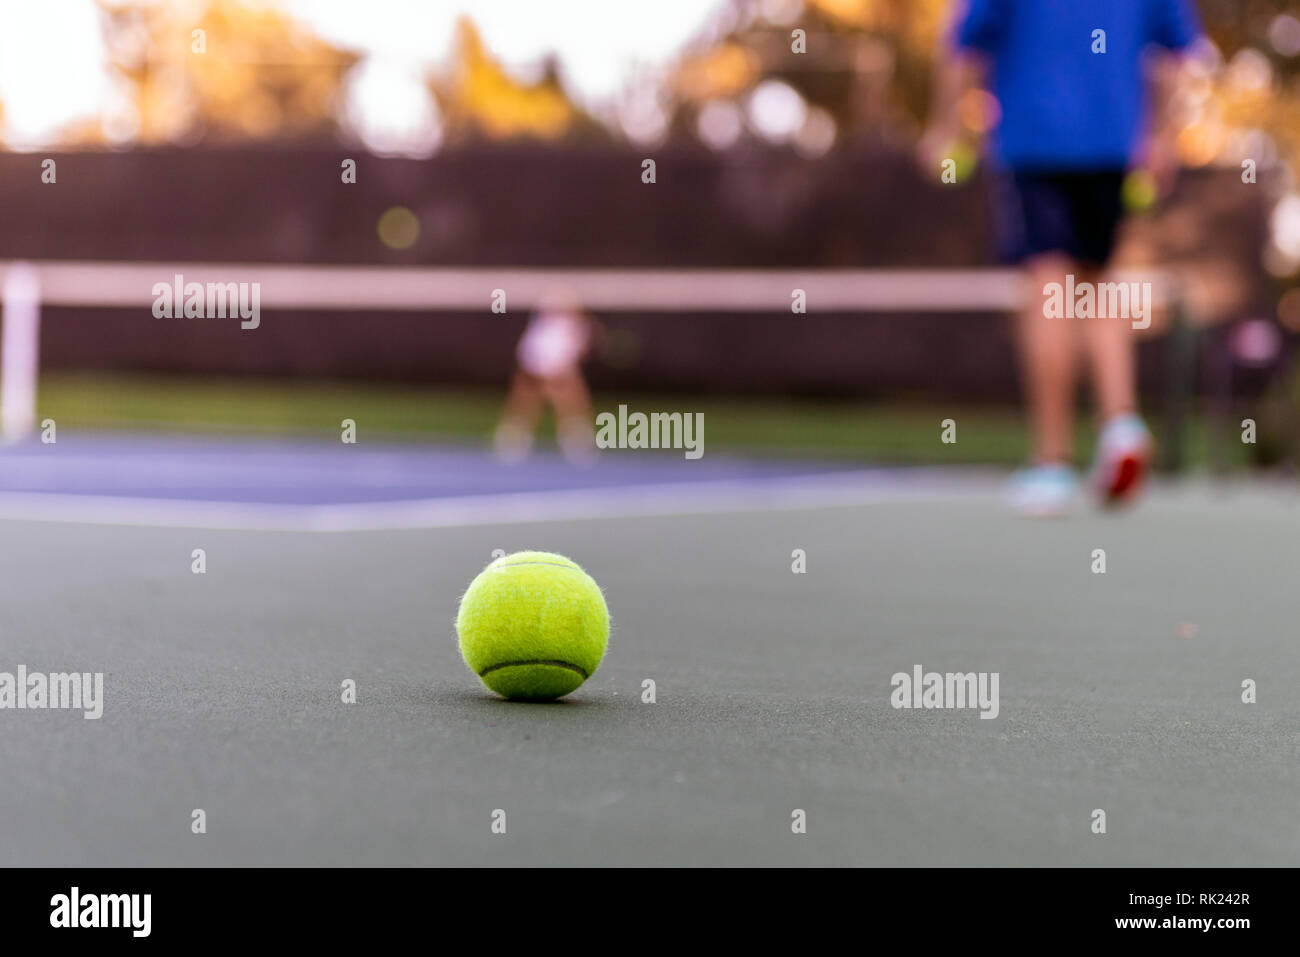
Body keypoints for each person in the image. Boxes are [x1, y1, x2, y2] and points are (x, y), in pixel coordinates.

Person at [922, 0, 1204, 516]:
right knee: (1099, 281)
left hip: (1036, 142)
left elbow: (965, 43)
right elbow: (1178, 57)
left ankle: (1052, 463)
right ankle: (1120, 422)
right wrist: (1160, 137)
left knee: (1050, 283)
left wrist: (947, 128)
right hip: (1115, 145)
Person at [493, 290, 602, 465]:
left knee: (566, 403)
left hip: (551, 367)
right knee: (531, 403)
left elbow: (577, 349)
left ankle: (575, 442)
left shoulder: (569, 326)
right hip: (541, 366)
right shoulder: (548, 327)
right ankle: (513, 441)